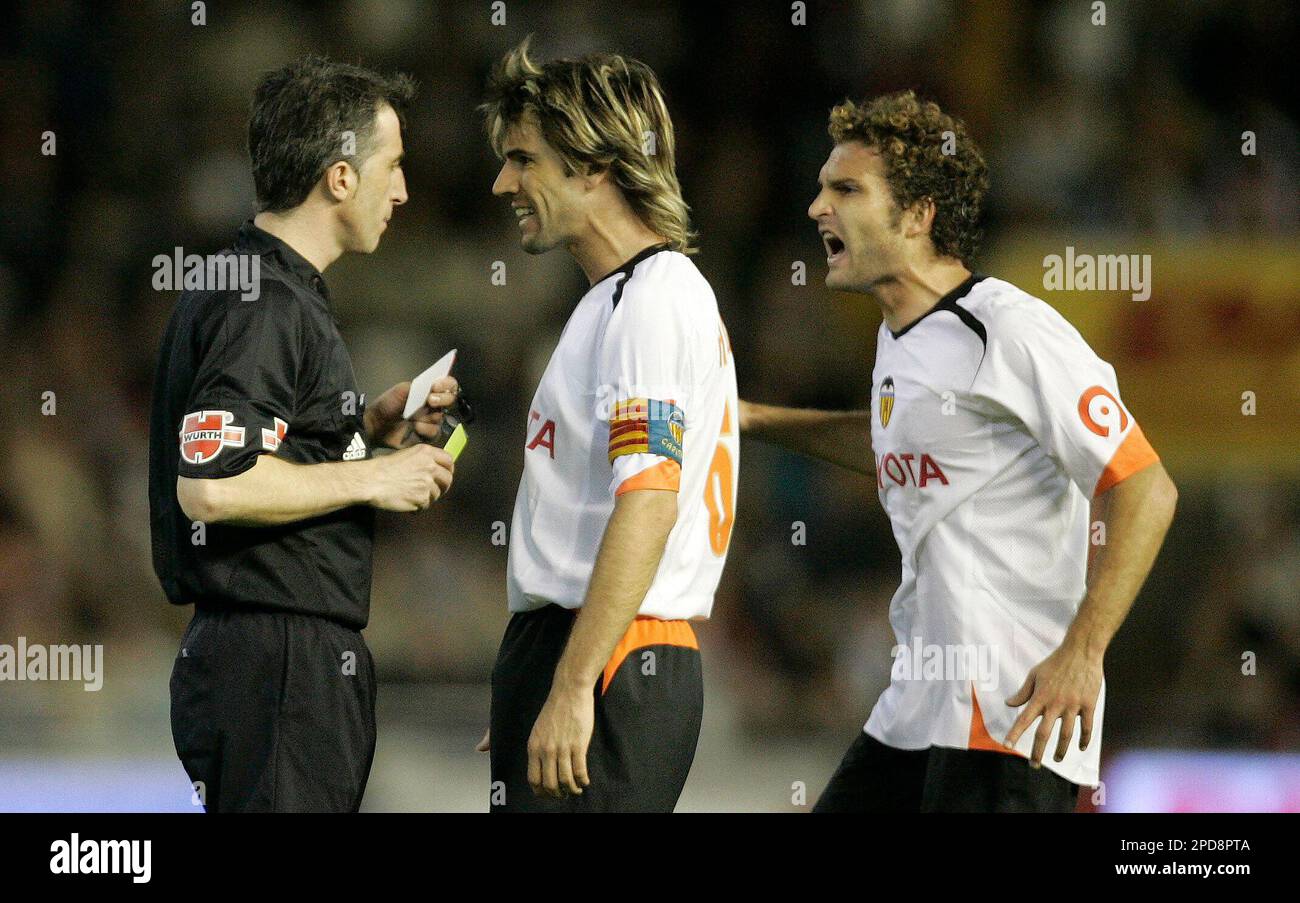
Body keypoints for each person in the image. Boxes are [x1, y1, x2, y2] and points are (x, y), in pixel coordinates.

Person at [740, 90, 1178, 812]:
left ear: (917, 216)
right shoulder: (897, 339)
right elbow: (894, 445)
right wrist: (754, 418)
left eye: (845, 189)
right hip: (917, 708)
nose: (818, 207)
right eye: (821, 188)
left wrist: (1084, 651)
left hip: (1011, 714)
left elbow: (1146, 486)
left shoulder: (1008, 330)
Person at [148, 56, 457, 812]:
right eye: (394, 165)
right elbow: (213, 484)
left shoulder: (255, 285)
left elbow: (250, 449)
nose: (404, 189)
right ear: (340, 178)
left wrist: (355, 430)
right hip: (278, 663)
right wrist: (374, 475)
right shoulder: (266, 302)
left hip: (273, 660)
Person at [478, 38, 739, 812]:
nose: (504, 183)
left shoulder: (652, 300)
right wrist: (539, 680)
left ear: (593, 165)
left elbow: (650, 498)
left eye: (523, 159)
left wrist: (570, 683)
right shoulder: (619, 300)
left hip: (618, 656)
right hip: (588, 647)